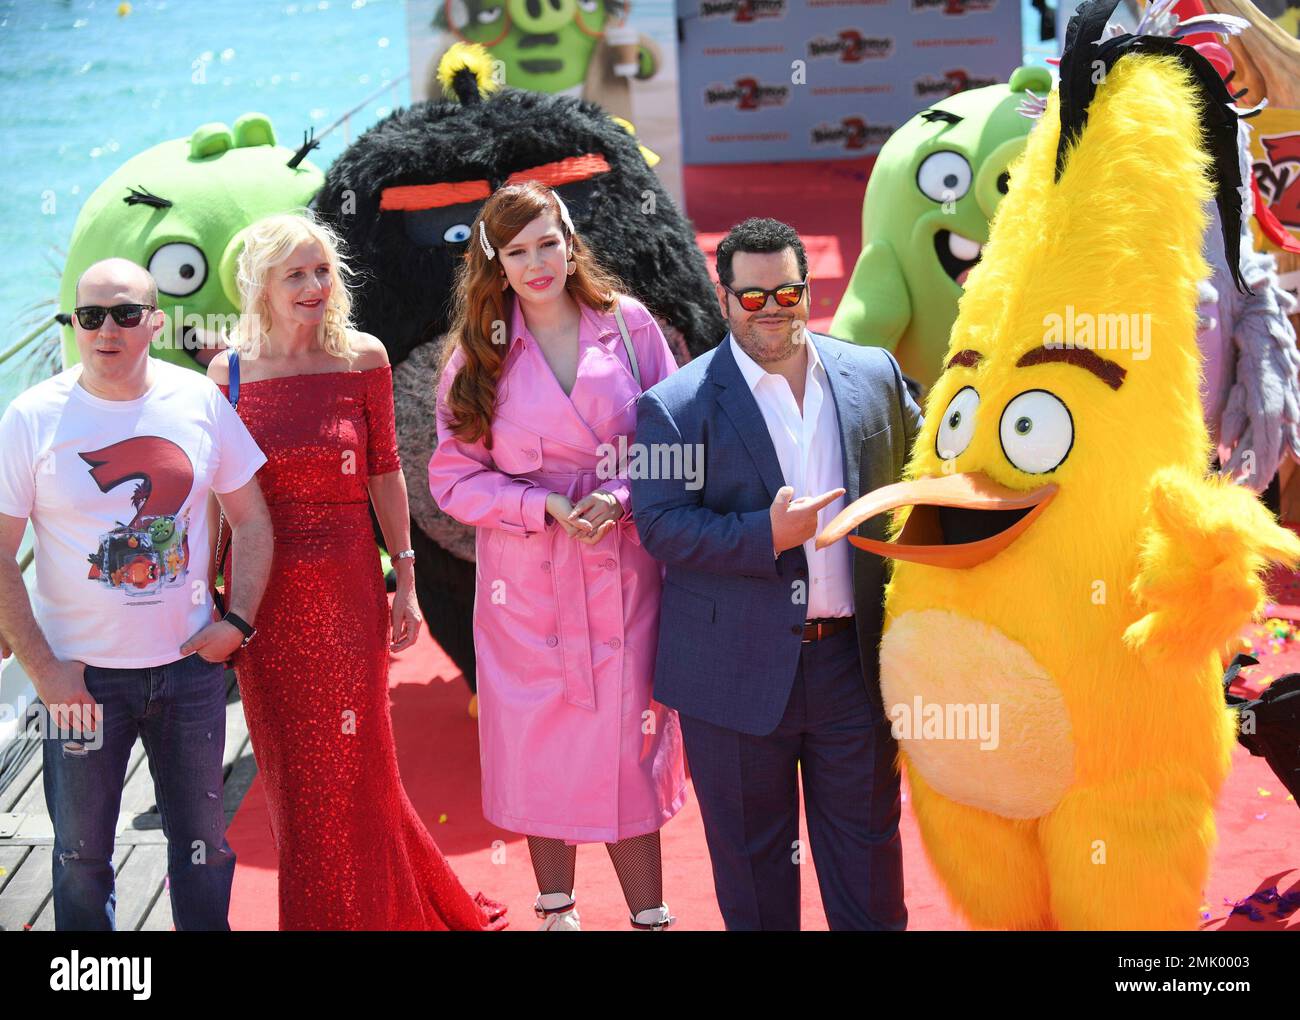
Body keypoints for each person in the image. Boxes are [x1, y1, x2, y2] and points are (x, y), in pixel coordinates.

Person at [206, 213, 505, 931]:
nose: (313, 287)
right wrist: (209, 593)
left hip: (345, 586)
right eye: (295, 275)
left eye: (322, 271)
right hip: (261, 596)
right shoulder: (229, 372)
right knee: (290, 773)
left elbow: (384, 472)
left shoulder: (361, 359)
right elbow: (217, 492)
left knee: (356, 761)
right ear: (260, 287)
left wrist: (403, 574)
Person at [631, 218, 922, 930]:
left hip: (854, 667)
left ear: (808, 290)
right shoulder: (673, 406)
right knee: (756, 878)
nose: (772, 309)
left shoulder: (872, 375)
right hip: (731, 680)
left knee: (870, 870)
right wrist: (764, 535)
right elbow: (660, 524)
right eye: (753, 296)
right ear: (724, 297)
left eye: (787, 292)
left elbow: (926, 471)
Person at [429, 181, 687, 931]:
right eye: (517, 251)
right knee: (539, 744)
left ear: (571, 242)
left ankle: (651, 918)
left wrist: (624, 495)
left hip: (625, 574)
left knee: (628, 743)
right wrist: (538, 505)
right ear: (495, 264)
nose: (537, 262)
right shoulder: (479, 351)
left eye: (548, 242)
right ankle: (556, 914)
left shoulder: (629, 324)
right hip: (526, 590)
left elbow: (678, 443)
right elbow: (450, 476)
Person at [0, 258, 274, 930]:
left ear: (155, 321)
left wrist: (238, 620)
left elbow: (253, 518)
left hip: (189, 672)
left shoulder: (198, 400)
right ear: (75, 325)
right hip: (80, 681)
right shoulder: (32, 417)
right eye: (90, 316)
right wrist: (46, 673)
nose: (107, 329)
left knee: (204, 852)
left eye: (126, 313)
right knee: (80, 859)